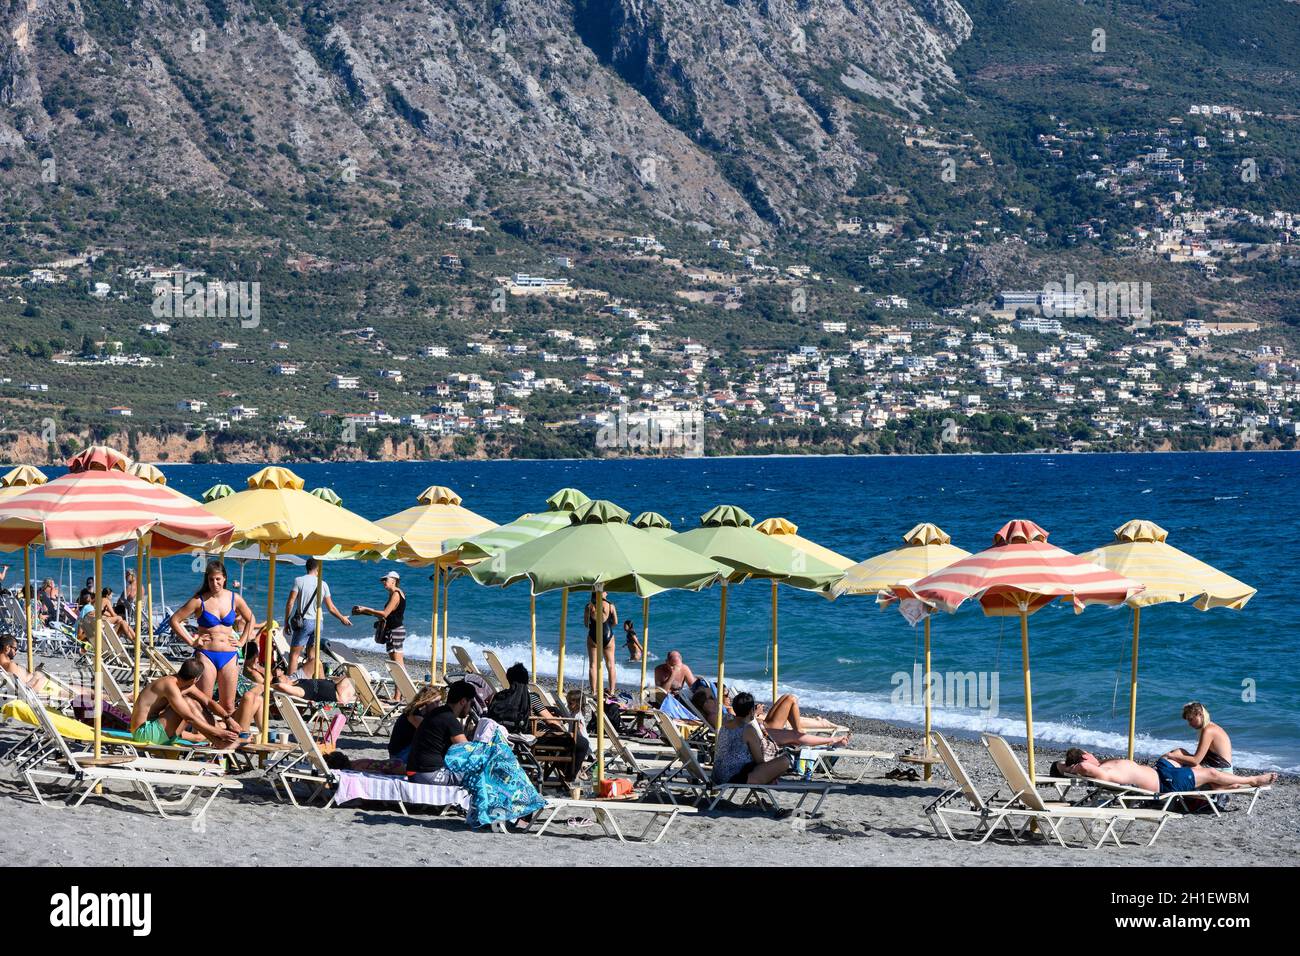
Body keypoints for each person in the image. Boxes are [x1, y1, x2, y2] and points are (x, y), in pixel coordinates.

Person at [169, 560, 257, 708]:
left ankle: (225, 731)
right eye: (211, 579)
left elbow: (251, 619)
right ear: (207, 580)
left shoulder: (234, 599)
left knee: (228, 705)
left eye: (218, 579)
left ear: (224, 578)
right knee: (205, 702)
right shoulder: (199, 600)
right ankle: (201, 731)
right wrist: (191, 641)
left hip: (229, 655)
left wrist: (242, 642)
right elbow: (175, 620)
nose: (214, 583)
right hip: (206, 654)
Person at [130, 658, 249, 747]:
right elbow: (189, 717)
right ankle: (220, 740)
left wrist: (228, 718)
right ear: (195, 679)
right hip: (143, 733)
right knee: (186, 702)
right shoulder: (169, 685)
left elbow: (208, 701)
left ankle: (220, 741)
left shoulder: (184, 683)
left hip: (157, 731)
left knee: (196, 702)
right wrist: (219, 732)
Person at [504, 663, 590, 782]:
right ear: (526, 680)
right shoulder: (530, 698)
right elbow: (550, 720)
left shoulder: (501, 696)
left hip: (510, 736)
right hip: (535, 737)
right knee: (582, 743)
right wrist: (562, 730)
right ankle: (570, 776)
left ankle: (563, 769)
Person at [1060, 748, 1276, 795]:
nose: (1092, 756)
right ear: (1085, 757)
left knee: (1172, 754)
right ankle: (1254, 779)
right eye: (1088, 754)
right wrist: (1073, 765)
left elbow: (1074, 766)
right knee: (1210, 773)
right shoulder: (1097, 770)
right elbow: (1083, 767)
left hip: (1160, 772)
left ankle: (1215, 783)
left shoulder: (1100, 768)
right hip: (1166, 783)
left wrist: (1066, 765)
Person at [283, 558, 352, 677]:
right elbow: (331, 608)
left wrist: (286, 622)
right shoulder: (323, 584)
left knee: (294, 655)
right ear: (318, 569)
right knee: (313, 656)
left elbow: (290, 603)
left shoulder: (299, 581)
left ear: (307, 567)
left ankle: (291, 683)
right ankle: (313, 683)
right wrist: (342, 618)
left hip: (304, 622)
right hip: (318, 623)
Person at [405, 680, 475, 785]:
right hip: (427, 774)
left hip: (414, 771)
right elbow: (468, 751)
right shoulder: (449, 719)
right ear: (463, 701)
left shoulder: (437, 712)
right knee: (476, 777)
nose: (470, 709)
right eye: (471, 703)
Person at [0, 633, 90, 699]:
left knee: (87, 691)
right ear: (7, 647)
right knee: (88, 693)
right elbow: (23, 691)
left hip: (48, 687)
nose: (16, 652)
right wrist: (37, 674)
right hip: (47, 689)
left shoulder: (6, 666)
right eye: (15, 649)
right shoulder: (10, 665)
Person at [352, 571, 406, 670]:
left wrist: (366, 609)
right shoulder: (395, 593)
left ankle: (402, 685)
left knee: (398, 666)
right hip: (395, 630)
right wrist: (363, 612)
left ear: (394, 580)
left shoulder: (396, 594)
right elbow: (387, 615)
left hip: (395, 631)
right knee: (397, 665)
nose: (384, 582)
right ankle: (400, 685)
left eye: (386, 580)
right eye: (383, 580)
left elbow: (385, 613)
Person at [1161, 701, 1234, 772]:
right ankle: (1159, 770)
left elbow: (1195, 761)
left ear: (1200, 714)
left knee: (1175, 756)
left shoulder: (1209, 730)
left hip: (1221, 771)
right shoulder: (1210, 727)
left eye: (1191, 719)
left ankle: (1157, 772)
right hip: (1217, 767)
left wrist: (1170, 755)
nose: (1189, 724)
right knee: (1179, 751)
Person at [388, 685, 445, 760]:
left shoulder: (421, 712)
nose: (438, 706)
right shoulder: (414, 714)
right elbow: (429, 734)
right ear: (428, 701)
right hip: (400, 755)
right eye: (436, 702)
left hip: (404, 750)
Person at [584, 588, 618, 696]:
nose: (607, 593)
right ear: (602, 592)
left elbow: (586, 624)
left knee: (593, 665)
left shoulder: (589, 606)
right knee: (611, 665)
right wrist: (608, 627)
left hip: (593, 635)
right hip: (607, 634)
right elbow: (616, 622)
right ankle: (612, 691)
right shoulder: (610, 605)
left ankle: (593, 692)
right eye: (606, 591)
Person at [272, 667, 357, 705]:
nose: (285, 675)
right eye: (281, 677)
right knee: (356, 677)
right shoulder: (298, 690)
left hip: (335, 686)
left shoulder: (297, 682)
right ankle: (360, 698)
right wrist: (269, 685)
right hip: (337, 694)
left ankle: (357, 697)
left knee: (353, 673)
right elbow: (280, 686)